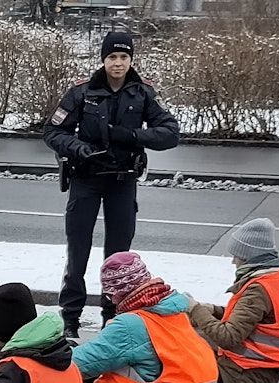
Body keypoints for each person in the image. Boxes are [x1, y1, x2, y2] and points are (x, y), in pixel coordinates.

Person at [43, 31, 180, 339]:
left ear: (131, 59)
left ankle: (112, 315)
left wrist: (132, 137)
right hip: (86, 179)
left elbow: (170, 132)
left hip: (122, 181)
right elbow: (52, 132)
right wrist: (77, 148)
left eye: (123, 57)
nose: (118, 63)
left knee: (118, 256)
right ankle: (71, 317)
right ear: (103, 59)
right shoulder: (82, 91)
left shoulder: (142, 93)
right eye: (112, 57)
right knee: (78, 251)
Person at [72, 252, 217, 383]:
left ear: (119, 293)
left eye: (109, 294)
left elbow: (77, 365)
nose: (111, 300)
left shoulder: (131, 325)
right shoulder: (173, 314)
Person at [187, 218, 279, 383]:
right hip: (257, 375)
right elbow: (258, 321)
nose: (233, 261)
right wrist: (214, 310)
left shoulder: (258, 289)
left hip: (239, 382)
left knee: (177, 345)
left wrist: (195, 309)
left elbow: (227, 337)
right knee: (192, 333)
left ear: (247, 255)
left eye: (236, 255)